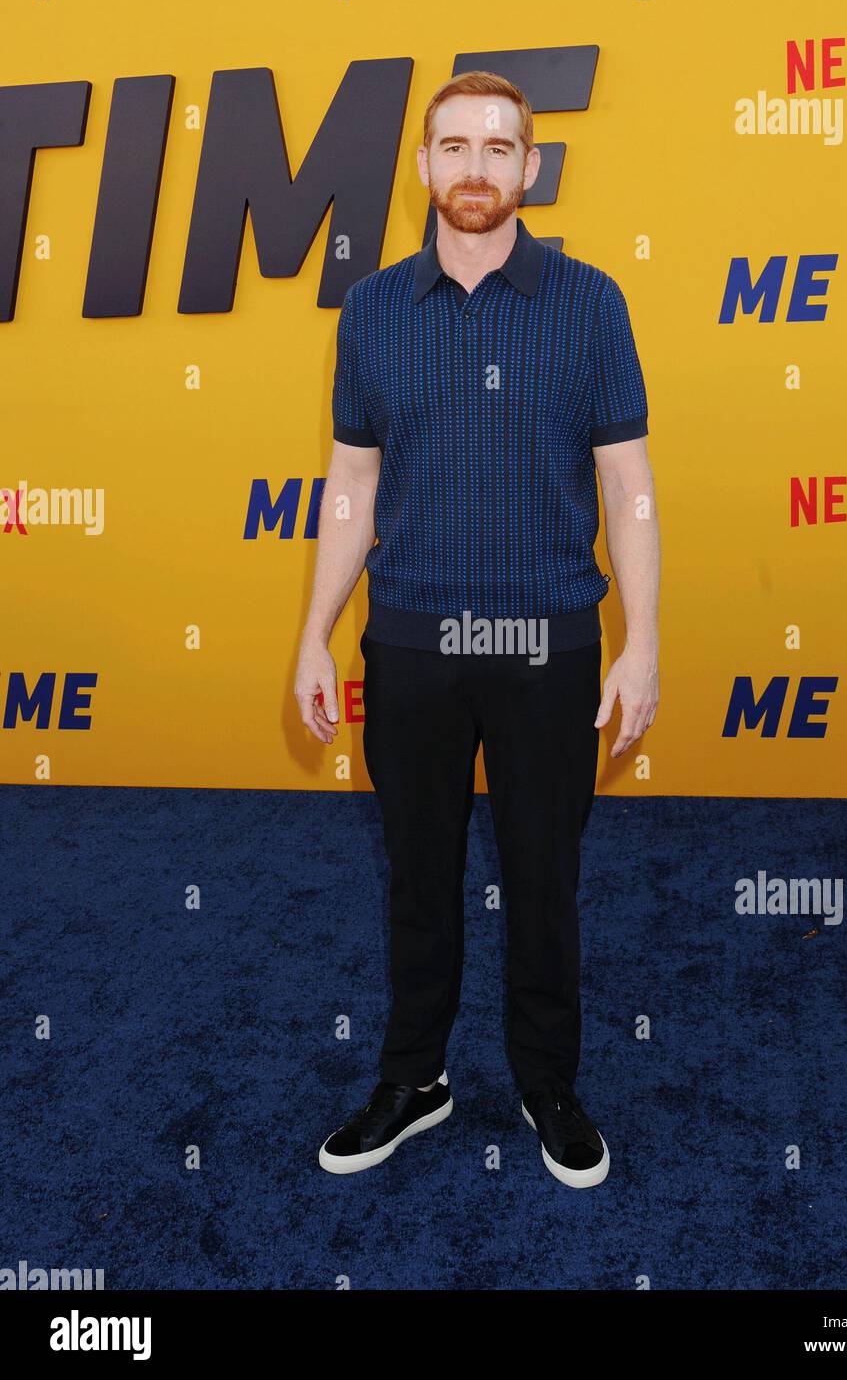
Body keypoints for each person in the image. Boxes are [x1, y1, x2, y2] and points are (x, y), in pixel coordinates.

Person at [294, 70, 659, 1189]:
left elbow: (626, 480)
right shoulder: (369, 312)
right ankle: (414, 1077)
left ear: (529, 168)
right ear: (421, 167)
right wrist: (315, 630)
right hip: (408, 645)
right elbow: (351, 480)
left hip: (548, 645)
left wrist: (640, 638)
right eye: (452, 146)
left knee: (542, 875)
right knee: (417, 872)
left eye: (498, 149)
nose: (474, 168)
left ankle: (548, 1084)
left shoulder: (590, 303)